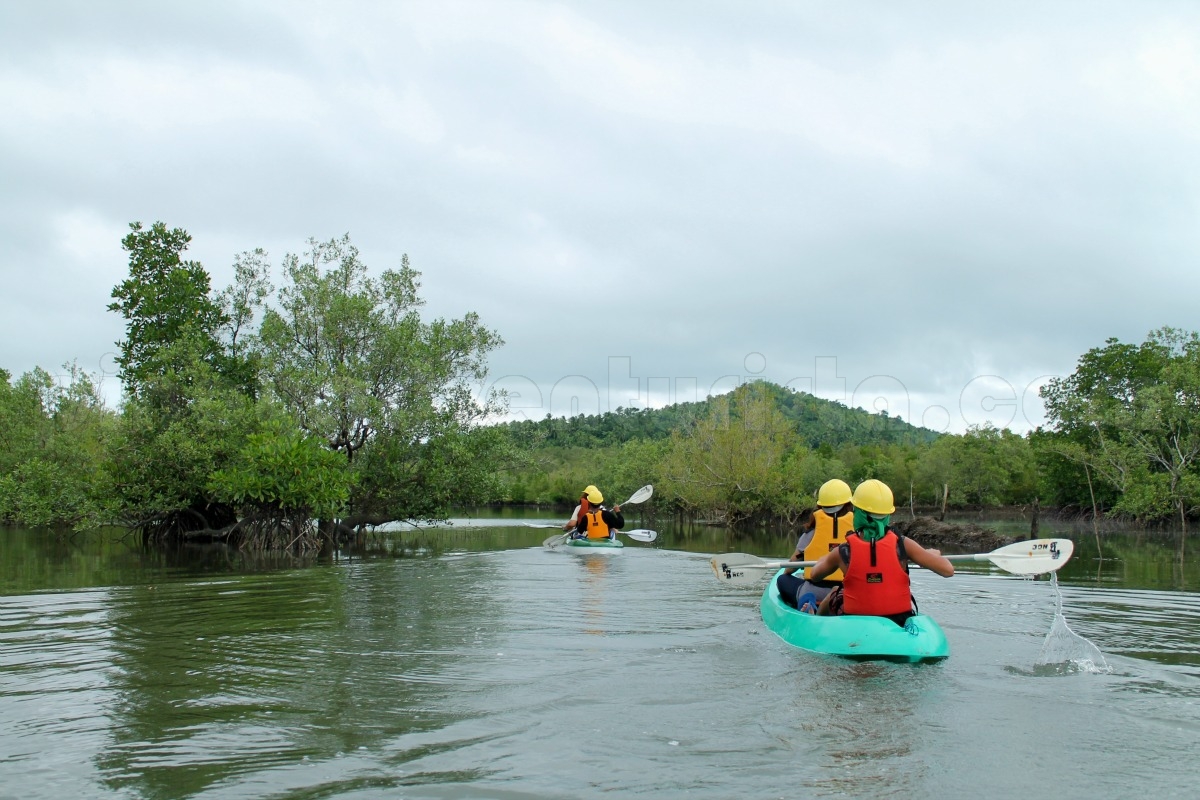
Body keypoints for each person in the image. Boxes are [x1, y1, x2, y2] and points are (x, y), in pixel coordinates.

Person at [808, 479, 954, 626]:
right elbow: (948, 570)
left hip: (855, 620)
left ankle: (818, 625)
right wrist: (932, 555)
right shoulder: (903, 544)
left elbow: (815, 575)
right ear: (887, 514)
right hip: (898, 620)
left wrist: (825, 559)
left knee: (835, 591)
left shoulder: (842, 551)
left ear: (858, 512)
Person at [775, 479, 855, 611]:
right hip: (845, 593)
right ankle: (838, 607)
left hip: (814, 590)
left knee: (783, 580)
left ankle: (809, 603)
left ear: (820, 507)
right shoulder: (858, 534)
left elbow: (790, 568)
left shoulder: (811, 532)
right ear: (849, 505)